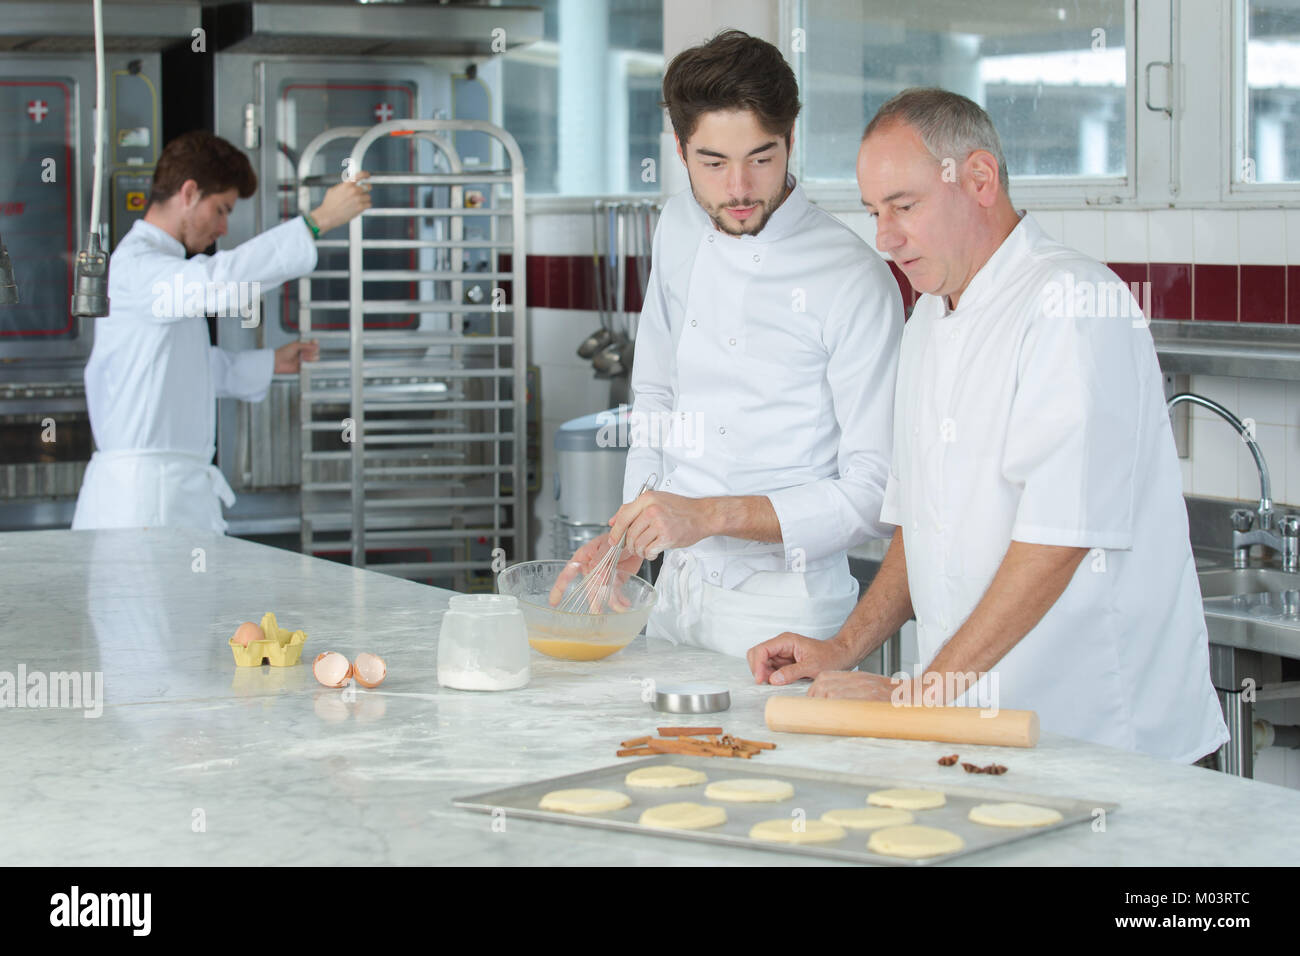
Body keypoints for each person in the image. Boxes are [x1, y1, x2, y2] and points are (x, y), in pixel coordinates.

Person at [748, 88, 1229, 762]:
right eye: (874, 212)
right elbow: (922, 525)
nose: (885, 239)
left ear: (978, 178)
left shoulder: (1072, 305)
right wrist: (843, 647)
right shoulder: (927, 318)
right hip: (973, 732)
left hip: (1106, 738)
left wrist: (917, 695)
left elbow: (1056, 542)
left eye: (904, 206)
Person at [550, 30, 903, 657]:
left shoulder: (853, 277)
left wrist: (709, 515)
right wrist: (630, 536)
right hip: (675, 595)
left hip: (786, 610)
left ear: (790, 140)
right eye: (713, 163)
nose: (739, 188)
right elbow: (657, 393)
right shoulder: (678, 224)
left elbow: (875, 493)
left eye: (762, 158)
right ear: (682, 151)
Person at [72, 131, 370, 533]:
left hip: (167, 494)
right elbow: (221, 281)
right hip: (144, 503)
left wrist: (266, 364)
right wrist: (317, 223)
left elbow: (173, 370)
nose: (224, 227)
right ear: (189, 192)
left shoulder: (162, 268)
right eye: (221, 210)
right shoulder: (138, 268)